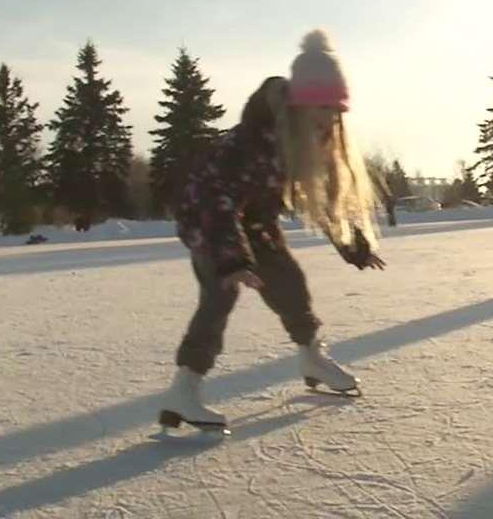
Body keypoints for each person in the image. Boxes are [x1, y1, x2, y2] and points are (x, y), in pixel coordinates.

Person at [158, 30, 387, 431]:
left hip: (253, 221)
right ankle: (184, 391)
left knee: (289, 282)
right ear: (300, 104)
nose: (329, 120)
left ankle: (311, 357)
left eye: (336, 110)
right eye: (321, 108)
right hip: (206, 216)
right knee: (219, 295)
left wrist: (354, 246)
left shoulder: (311, 141)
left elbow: (326, 197)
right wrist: (232, 259)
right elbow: (217, 197)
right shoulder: (254, 141)